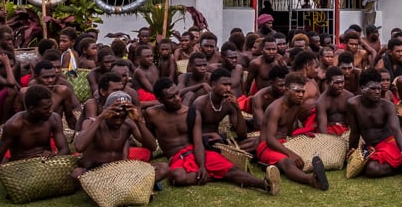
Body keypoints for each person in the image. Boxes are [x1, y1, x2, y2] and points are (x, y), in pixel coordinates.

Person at [146, 78, 277, 194]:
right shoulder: (152, 114)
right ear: (160, 99)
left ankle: (264, 184)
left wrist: (202, 165)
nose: (178, 98)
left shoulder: (191, 113)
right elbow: (150, 143)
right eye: (171, 97)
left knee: (232, 170)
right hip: (176, 157)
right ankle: (218, 175)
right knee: (177, 177)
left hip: (197, 151)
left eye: (177, 94)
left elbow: (197, 143)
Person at [347, 68, 402, 189]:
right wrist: (352, 151)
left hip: (394, 143)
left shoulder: (387, 106)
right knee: (369, 169)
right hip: (374, 148)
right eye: (373, 89)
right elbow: (355, 131)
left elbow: (396, 129)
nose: (377, 91)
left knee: (372, 169)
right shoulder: (353, 104)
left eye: (379, 88)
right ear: (362, 88)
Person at [257, 72, 330, 191]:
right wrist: (291, 153)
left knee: (307, 153)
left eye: (303, 91)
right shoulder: (276, 108)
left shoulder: (296, 105)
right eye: (297, 91)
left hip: (284, 143)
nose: (301, 95)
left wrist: (296, 142)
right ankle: (311, 180)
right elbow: (270, 139)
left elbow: (290, 129)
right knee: (288, 162)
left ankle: (277, 165)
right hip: (267, 147)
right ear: (286, 90)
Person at [72, 91, 161, 177]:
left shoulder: (128, 124)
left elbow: (152, 146)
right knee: (77, 173)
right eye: (114, 117)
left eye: (122, 117)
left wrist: (138, 121)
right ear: (106, 110)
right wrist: (100, 117)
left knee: (162, 168)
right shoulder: (90, 122)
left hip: (118, 172)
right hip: (93, 172)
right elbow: (79, 147)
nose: (118, 122)